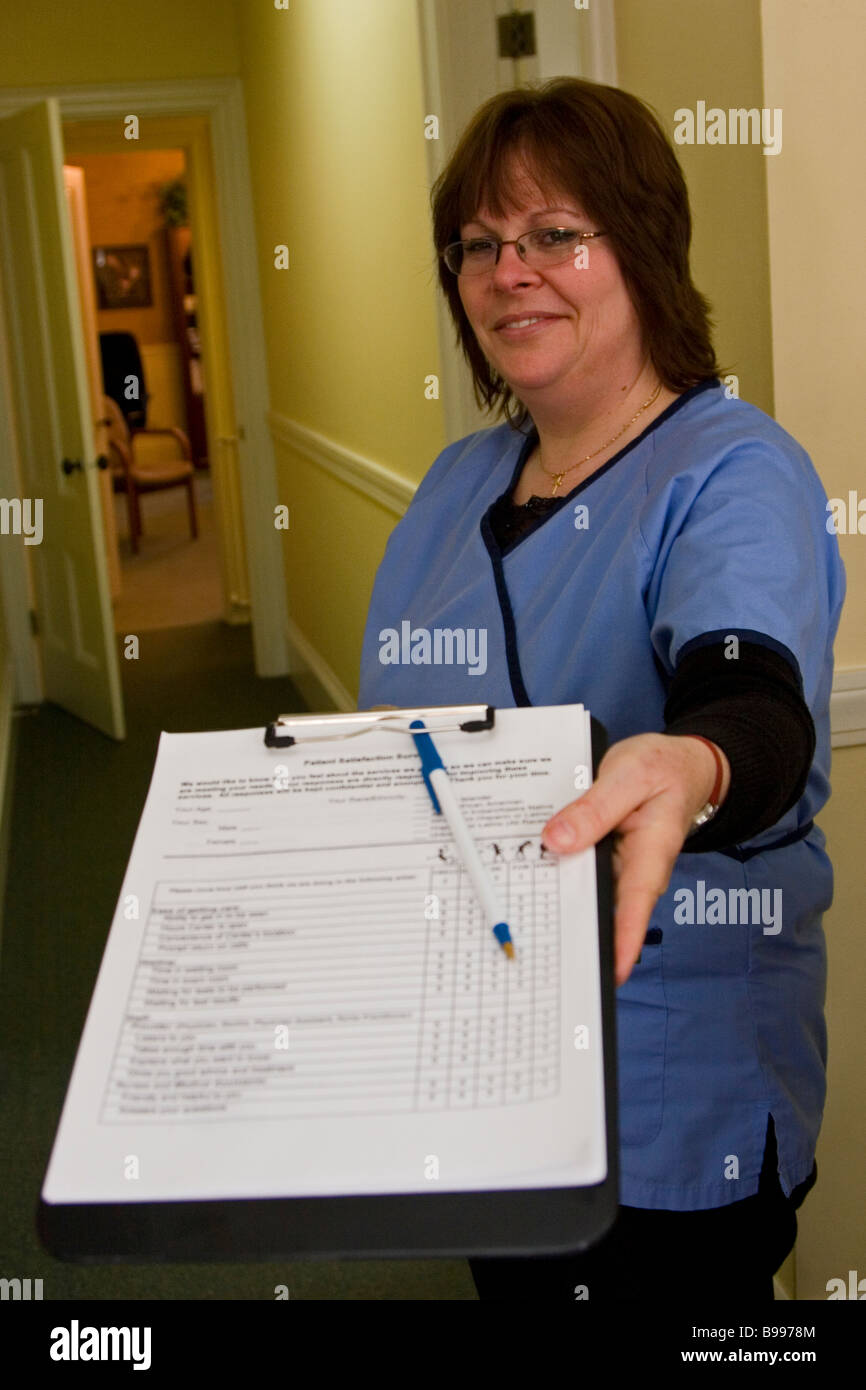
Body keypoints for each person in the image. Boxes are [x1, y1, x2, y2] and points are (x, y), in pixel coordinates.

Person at [357, 77, 845, 1300]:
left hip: (670, 1088)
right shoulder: (452, 486)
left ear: (644, 250)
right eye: (478, 244)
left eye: (555, 235)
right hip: (485, 1051)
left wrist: (687, 762)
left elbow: (750, 696)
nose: (507, 271)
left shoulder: (732, 470)